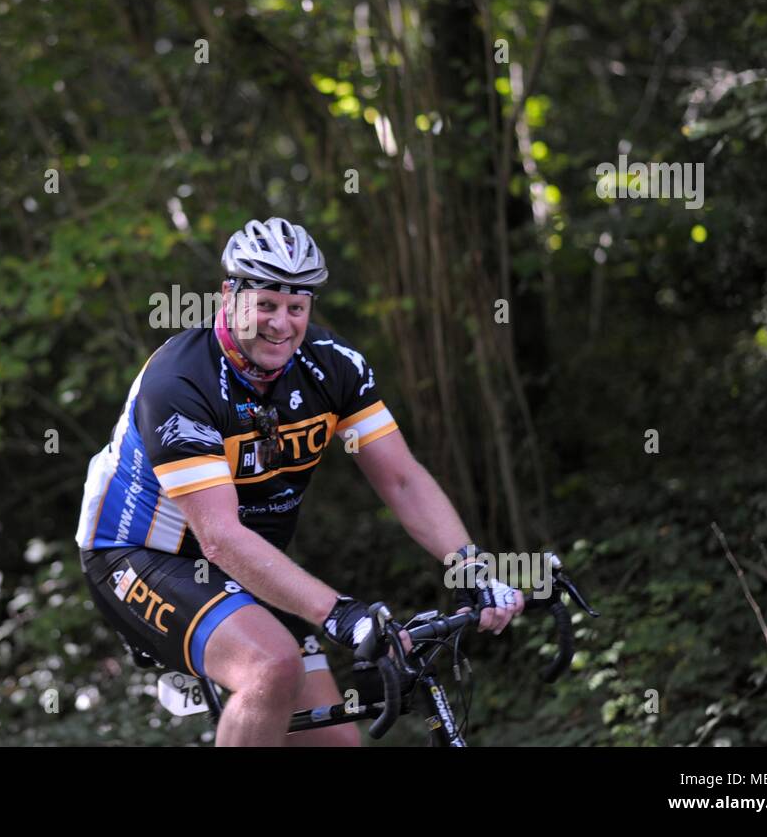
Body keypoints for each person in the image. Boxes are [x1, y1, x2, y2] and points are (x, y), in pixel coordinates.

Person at [75, 216, 523, 746]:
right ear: (229, 295)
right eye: (265, 304)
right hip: (142, 554)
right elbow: (218, 535)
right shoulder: (180, 381)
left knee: (337, 743)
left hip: (249, 562)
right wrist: (341, 614)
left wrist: (469, 566)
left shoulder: (333, 368)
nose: (282, 324)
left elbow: (401, 481)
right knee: (270, 665)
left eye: (296, 307)